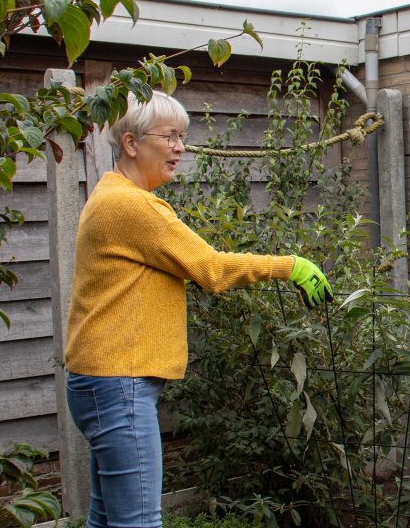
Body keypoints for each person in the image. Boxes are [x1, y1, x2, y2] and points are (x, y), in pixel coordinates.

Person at [63, 90, 334, 528]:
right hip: (119, 382)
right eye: (169, 136)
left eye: (182, 137)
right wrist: (290, 266)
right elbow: (210, 267)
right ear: (131, 143)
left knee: (106, 518)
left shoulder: (111, 195)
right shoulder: (131, 206)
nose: (180, 148)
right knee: (138, 523)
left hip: (102, 379)